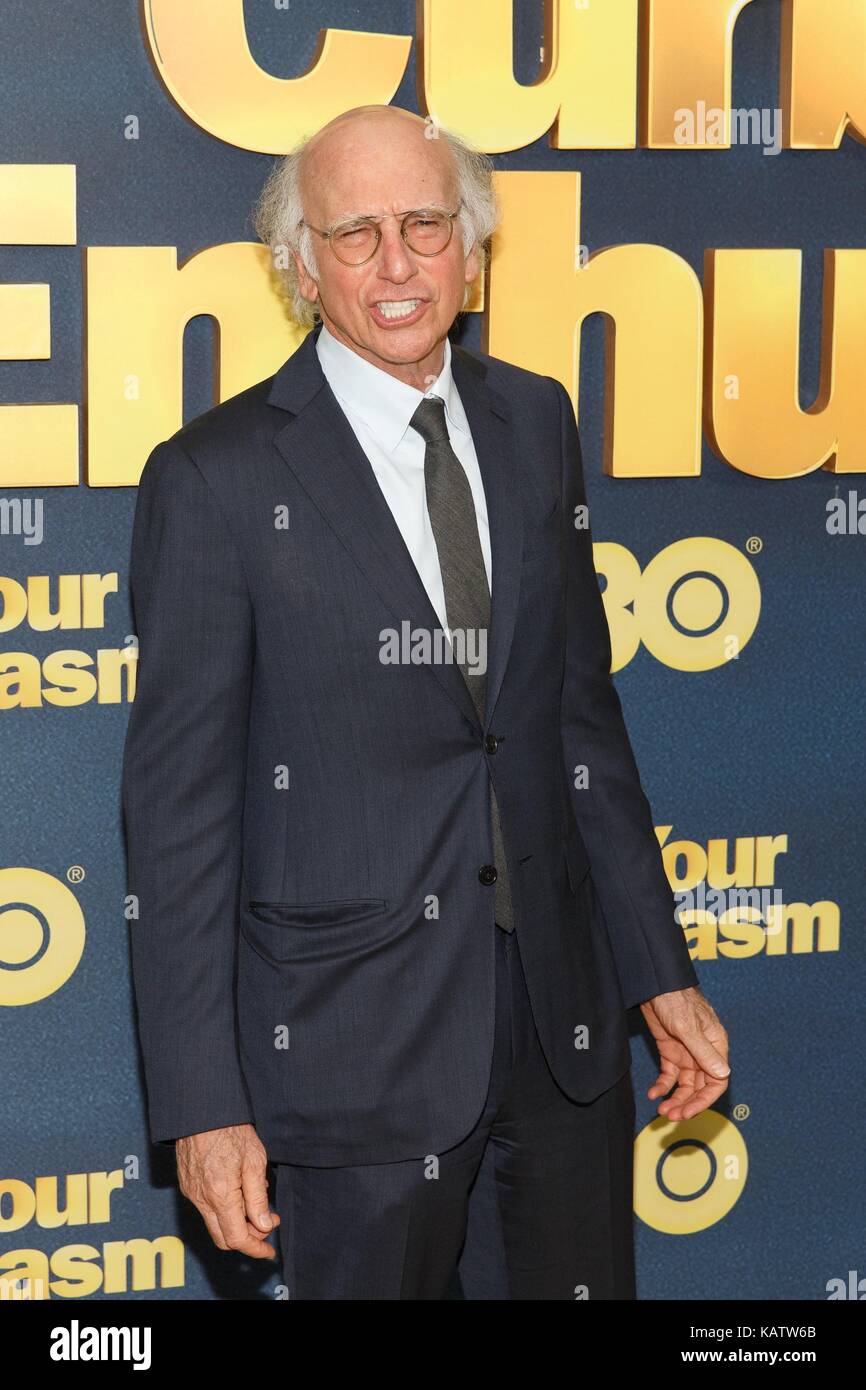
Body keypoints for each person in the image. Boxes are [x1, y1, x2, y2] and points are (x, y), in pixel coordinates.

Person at [121, 104, 729, 1300]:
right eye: (354, 235)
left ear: (474, 245)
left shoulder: (536, 422)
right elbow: (178, 822)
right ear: (301, 267)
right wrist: (202, 1108)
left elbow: (574, 724)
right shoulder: (217, 478)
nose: (395, 265)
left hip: (557, 1033)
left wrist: (657, 968)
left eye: (423, 225)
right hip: (347, 1055)